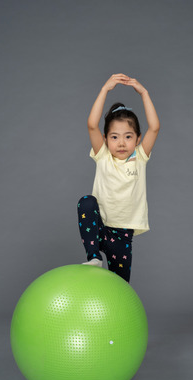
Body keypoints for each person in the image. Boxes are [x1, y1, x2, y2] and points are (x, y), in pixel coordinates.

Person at [77, 73, 160, 283]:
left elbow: (155, 127)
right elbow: (92, 125)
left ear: (137, 139)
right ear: (106, 139)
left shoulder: (139, 158)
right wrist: (105, 89)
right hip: (100, 226)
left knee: (120, 285)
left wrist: (144, 93)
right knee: (86, 202)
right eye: (114, 137)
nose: (121, 143)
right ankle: (94, 256)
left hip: (122, 235)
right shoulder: (103, 156)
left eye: (128, 136)